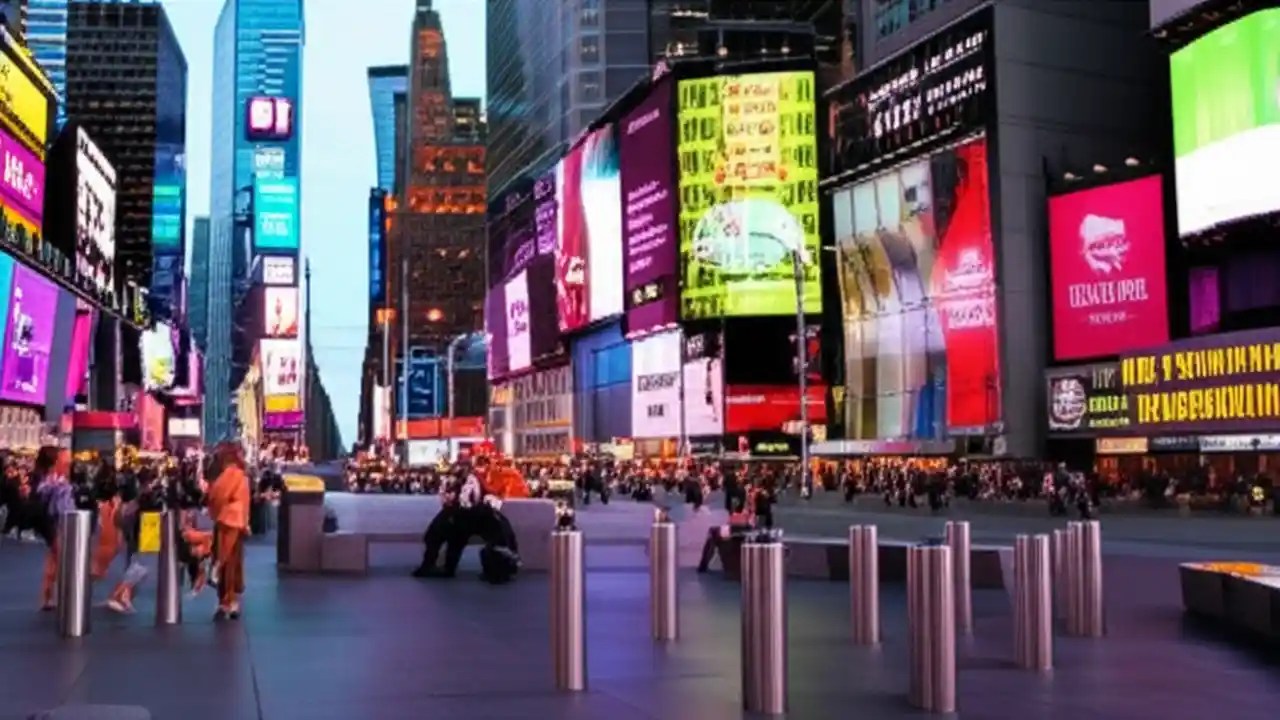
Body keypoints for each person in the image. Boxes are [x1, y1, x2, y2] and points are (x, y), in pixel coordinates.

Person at [206, 442, 250, 620]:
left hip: (226, 520)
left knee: (225, 559)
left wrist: (215, 512)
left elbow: (216, 496)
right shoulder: (239, 474)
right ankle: (230, 600)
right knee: (232, 561)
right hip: (237, 521)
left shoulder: (227, 473)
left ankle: (226, 600)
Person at [33, 447, 75, 610]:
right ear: (56, 461)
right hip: (54, 521)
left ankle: (48, 596)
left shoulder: (60, 477)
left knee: (55, 558)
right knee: (59, 557)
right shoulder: (51, 479)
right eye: (64, 458)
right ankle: (51, 595)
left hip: (61, 521)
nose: (68, 462)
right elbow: (46, 495)